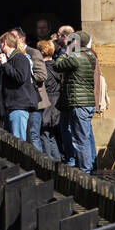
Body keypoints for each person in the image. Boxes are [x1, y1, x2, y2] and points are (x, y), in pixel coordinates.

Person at [52, 30, 98, 172]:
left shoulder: (76, 57)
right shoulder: (90, 55)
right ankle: (88, 168)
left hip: (79, 104)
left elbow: (57, 65)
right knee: (85, 136)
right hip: (87, 102)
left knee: (80, 140)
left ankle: (85, 172)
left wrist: (66, 51)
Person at [0, 31, 38, 141]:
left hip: (19, 106)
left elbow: (20, 77)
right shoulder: (9, 59)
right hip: (11, 106)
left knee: (19, 141)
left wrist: (5, 65)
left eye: (0, 43)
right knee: (13, 141)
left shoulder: (20, 58)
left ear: (4, 43)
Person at [32, 39, 64, 160]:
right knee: (52, 134)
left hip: (46, 101)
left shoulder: (41, 67)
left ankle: (49, 161)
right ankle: (57, 161)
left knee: (44, 133)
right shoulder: (57, 65)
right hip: (57, 102)